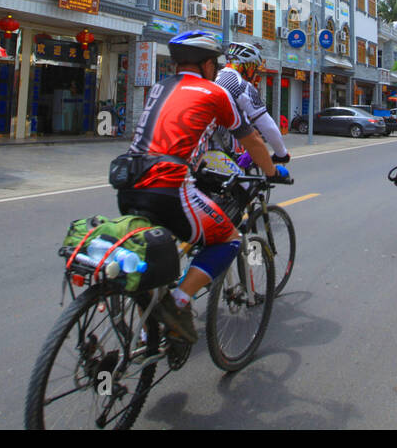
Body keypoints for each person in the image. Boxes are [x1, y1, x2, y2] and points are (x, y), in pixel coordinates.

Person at [116, 30, 288, 344]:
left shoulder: (159, 87)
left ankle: (147, 331)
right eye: (214, 64)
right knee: (229, 237)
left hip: (127, 182)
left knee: (163, 246)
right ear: (207, 65)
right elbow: (253, 137)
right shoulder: (216, 92)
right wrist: (272, 169)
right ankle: (179, 303)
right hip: (170, 184)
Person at [212, 41, 291, 166]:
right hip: (218, 152)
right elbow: (267, 125)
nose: (254, 73)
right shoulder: (242, 86)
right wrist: (282, 154)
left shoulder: (212, 77)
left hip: (200, 148)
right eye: (254, 68)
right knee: (245, 184)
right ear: (245, 66)